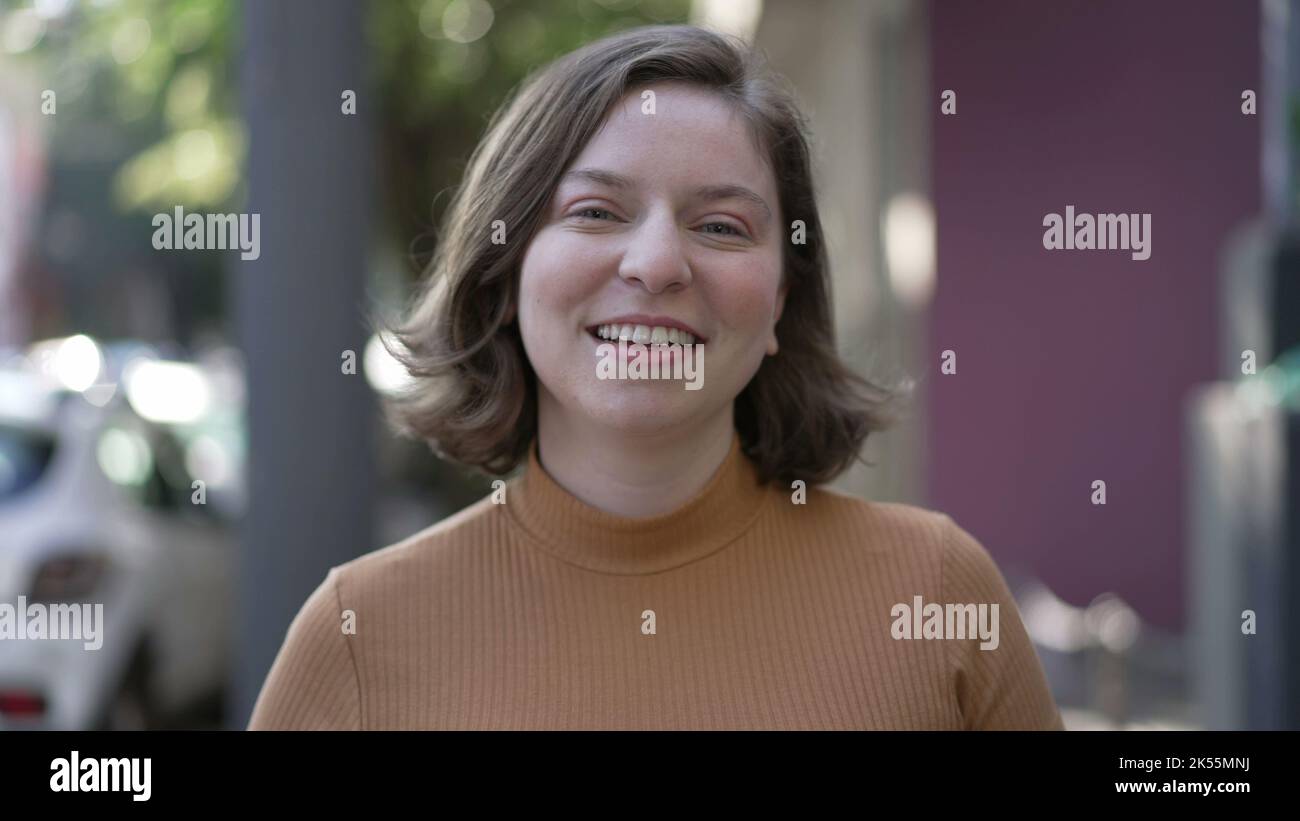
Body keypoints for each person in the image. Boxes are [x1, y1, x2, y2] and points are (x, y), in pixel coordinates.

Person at [248, 24, 1064, 730]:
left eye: (720, 225)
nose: (658, 264)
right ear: (504, 276)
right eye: (596, 211)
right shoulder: (358, 633)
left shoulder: (941, 594)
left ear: (781, 299)